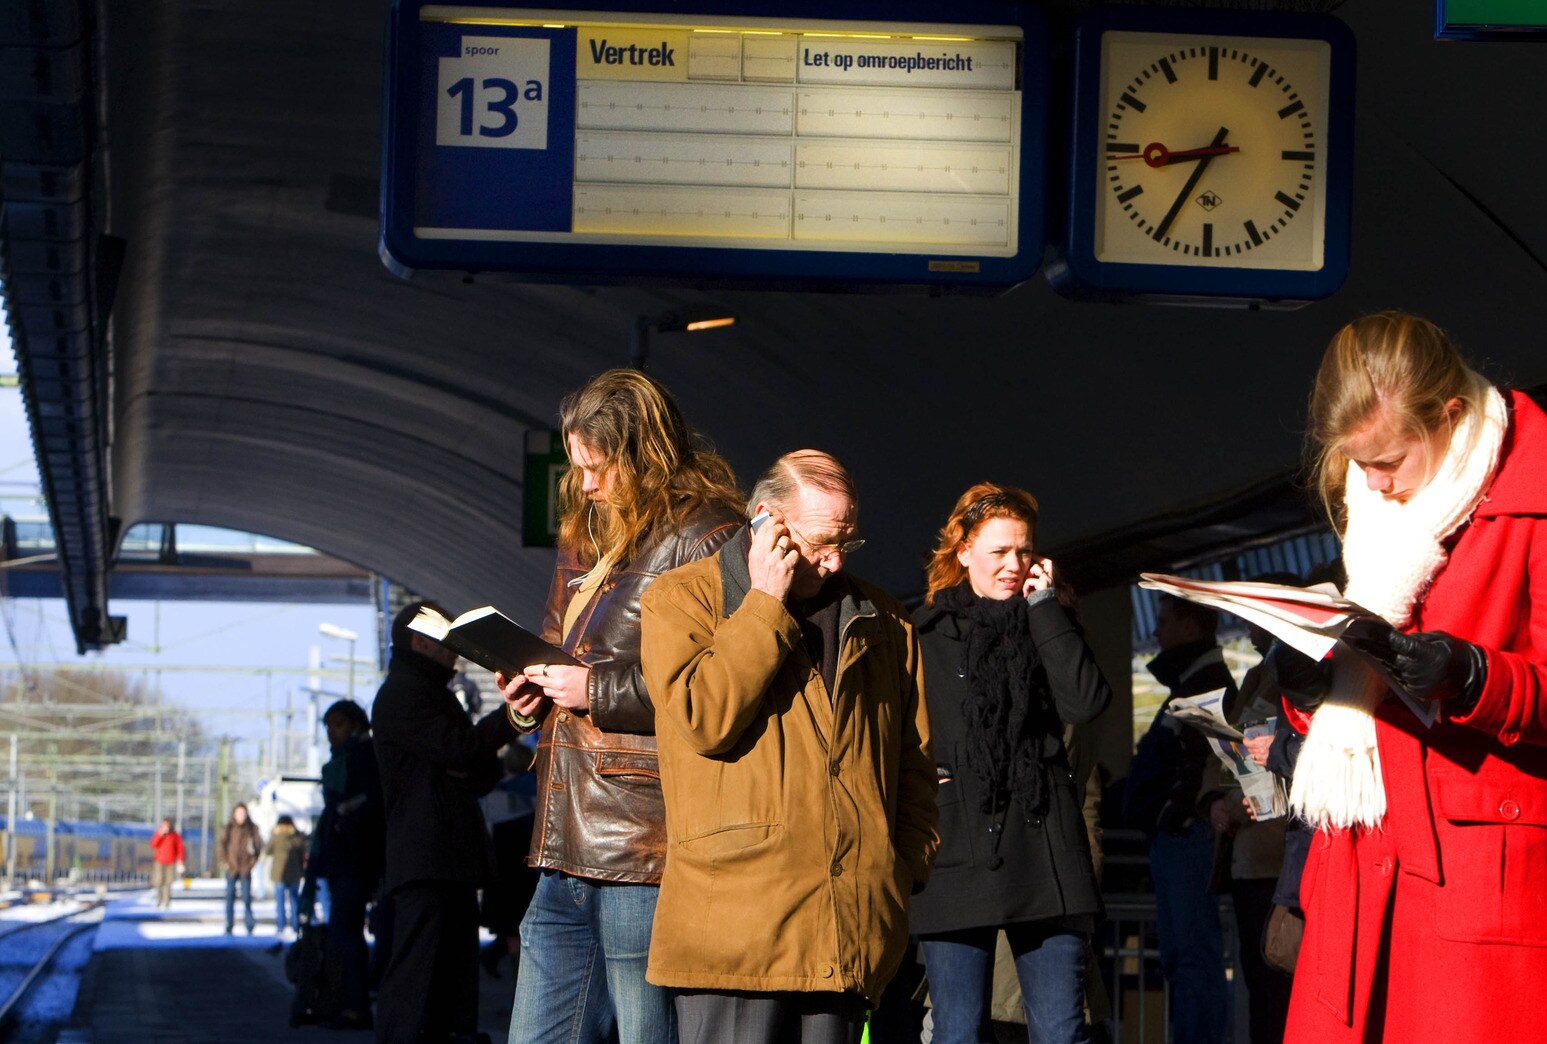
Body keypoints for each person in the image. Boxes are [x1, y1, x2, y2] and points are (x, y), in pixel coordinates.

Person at [1272, 312, 1547, 1042]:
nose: (1372, 482)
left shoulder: (1535, 499)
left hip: (1473, 877)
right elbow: (1360, 704)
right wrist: (1305, 688)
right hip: (1363, 867)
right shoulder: (1375, 510)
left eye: (1388, 459)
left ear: (1449, 415)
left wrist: (1471, 675)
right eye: (1357, 462)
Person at [639, 449, 938, 1044]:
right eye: (821, 541)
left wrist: (897, 872)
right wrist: (764, 604)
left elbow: (913, 763)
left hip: (846, 930)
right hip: (734, 939)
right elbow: (706, 716)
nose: (833, 560)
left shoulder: (882, 619)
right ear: (764, 523)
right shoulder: (681, 600)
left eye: (846, 545)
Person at [498, 369, 744, 1044]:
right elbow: (555, 647)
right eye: (576, 467)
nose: (585, 484)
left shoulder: (710, 536)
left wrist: (594, 691)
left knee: (647, 1035)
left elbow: (726, 688)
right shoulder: (586, 534)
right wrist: (527, 697)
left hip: (643, 846)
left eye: (597, 466)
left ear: (646, 454)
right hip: (562, 839)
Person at [909, 483, 1112, 1044]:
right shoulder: (925, 635)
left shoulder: (1051, 621)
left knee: (1061, 1031)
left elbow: (1086, 703)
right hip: (956, 844)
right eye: (998, 551)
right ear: (963, 551)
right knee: (957, 1030)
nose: (1013, 565)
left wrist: (1045, 607)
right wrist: (928, 776)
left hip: (1044, 844)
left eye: (1023, 551)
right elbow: (898, 732)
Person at [373, 601, 517, 1044]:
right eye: (448, 641)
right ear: (421, 640)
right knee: (417, 970)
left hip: (445, 855)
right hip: (426, 856)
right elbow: (464, 751)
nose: (457, 652)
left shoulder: (430, 694)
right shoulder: (404, 694)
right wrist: (510, 717)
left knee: (452, 969)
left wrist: (468, 756)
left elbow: (480, 770)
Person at [1122, 595, 1235, 1044]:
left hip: (1187, 841)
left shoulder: (1204, 685)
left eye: (1165, 621)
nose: (1155, 631)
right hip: (1179, 839)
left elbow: (1209, 766)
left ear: (1191, 626)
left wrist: (1174, 813)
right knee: (1186, 958)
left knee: (1192, 958)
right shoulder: (1193, 682)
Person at [1199, 600, 1294, 1044]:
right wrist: (1216, 799)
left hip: (1273, 854)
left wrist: (1226, 804)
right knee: (1262, 978)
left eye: (1255, 617)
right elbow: (1229, 757)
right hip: (1251, 854)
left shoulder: (1297, 675)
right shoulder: (1259, 676)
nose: (1247, 628)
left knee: (1276, 977)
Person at [309, 698, 387, 1031]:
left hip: (356, 858)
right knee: (345, 931)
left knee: (346, 931)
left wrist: (344, 817)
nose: (331, 732)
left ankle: (356, 1004)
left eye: (337, 724)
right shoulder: (341, 760)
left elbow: (370, 802)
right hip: (343, 858)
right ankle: (350, 999)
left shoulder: (363, 756)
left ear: (355, 725)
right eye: (328, 725)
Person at [219, 802, 263, 935]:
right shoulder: (229, 827)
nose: (241, 816)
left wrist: (252, 863)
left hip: (245, 867)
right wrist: (225, 861)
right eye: (238, 813)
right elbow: (221, 844)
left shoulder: (252, 828)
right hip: (231, 867)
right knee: (230, 896)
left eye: (243, 813)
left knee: (246, 897)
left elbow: (258, 847)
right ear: (234, 814)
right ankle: (229, 924)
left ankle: (249, 924)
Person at [265, 814, 308, 941]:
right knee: (295, 901)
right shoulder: (297, 838)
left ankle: (281, 926)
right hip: (295, 874)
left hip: (279, 874)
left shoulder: (276, 836)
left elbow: (267, 851)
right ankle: (296, 926)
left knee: (280, 902)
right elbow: (303, 855)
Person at [148, 817, 185, 909]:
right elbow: (153, 844)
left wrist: (180, 861)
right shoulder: (159, 834)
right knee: (159, 881)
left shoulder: (175, 836)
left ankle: (166, 901)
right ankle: (159, 900)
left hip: (171, 862)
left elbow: (180, 849)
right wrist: (160, 834)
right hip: (159, 861)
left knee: (168, 882)